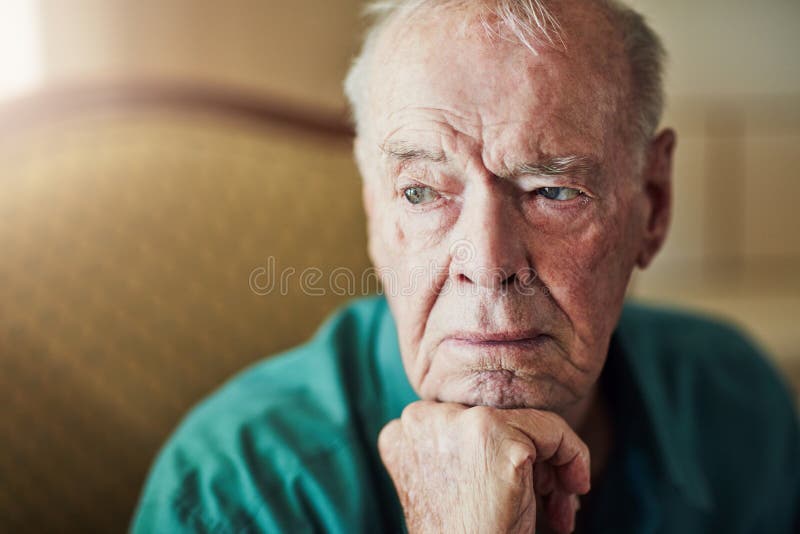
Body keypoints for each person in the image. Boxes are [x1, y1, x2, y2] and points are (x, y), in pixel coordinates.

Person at [131, 1, 799, 532]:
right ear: (374, 215)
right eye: (422, 193)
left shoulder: (737, 407)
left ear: (652, 207)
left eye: (553, 191)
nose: (486, 265)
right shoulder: (232, 497)